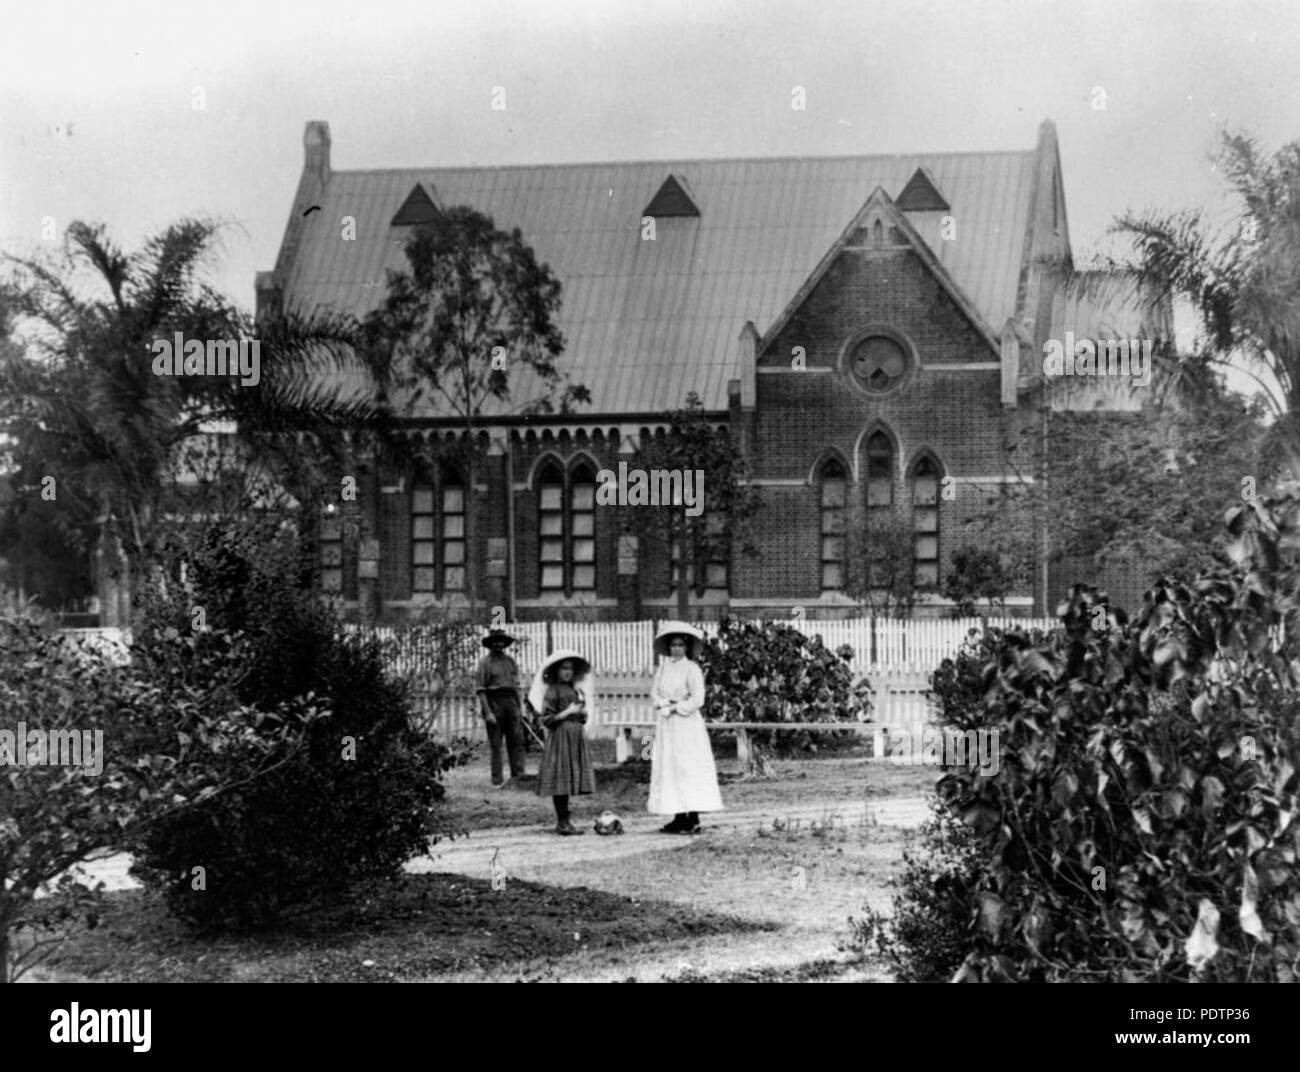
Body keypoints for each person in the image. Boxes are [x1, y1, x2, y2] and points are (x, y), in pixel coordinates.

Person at [647, 621, 723, 833]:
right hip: (667, 726)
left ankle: (693, 817)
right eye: (673, 645)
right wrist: (662, 703)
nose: (677, 649)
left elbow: (698, 699)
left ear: (687, 647)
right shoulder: (663, 668)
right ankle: (678, 816)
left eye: (681, 645)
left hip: (686, 725)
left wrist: (675, 708)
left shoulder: (692, 669)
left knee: (688, 767)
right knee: (670, 767)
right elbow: (654, 693)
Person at [528, 649, 597, 835]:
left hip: (575, 736)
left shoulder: (575, 690)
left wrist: (582, 714)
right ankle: (562, 822)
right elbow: (547, 719)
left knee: (570, 779)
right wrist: (568, 712)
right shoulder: (553, 691)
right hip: (560, 737)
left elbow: (581, 716)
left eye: (570, 669)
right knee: (561, 779)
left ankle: (567, 821)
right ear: (557, 671)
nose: (567, 672)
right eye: (564, 668)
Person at [475, 627, 525, 788]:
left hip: (511, 703)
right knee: (496, 744)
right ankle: (497, 780)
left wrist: (519, 710)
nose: (498, 644)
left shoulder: (510, 661)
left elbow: (516, 687)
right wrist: (488, 712)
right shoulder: (485, 663)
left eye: (501, 641)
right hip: (494, 703)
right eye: (495, 642)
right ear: (490, 644)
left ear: (504, 643)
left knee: (516, 742)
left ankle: (518, 778)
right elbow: (481, 690)